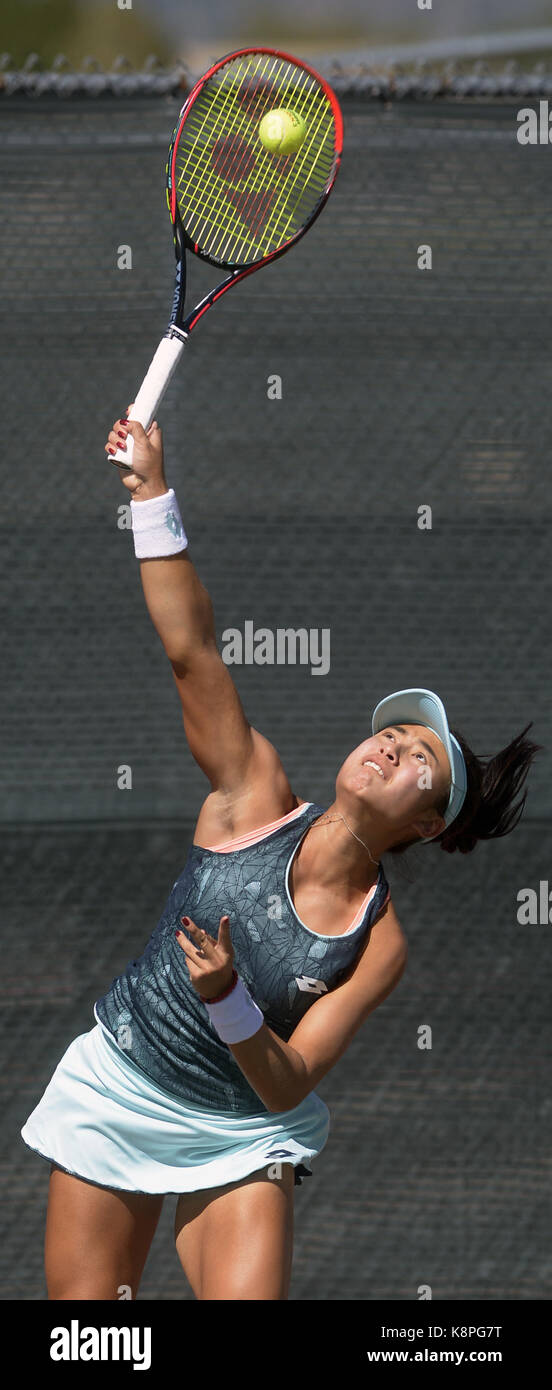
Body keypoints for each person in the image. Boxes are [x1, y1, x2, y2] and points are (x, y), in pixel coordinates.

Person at [20, 413, 541, 1302]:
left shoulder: (378, 946)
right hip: (121, 1086)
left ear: (426, 824)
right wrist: (151, 493)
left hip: (238, 1129)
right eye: (398, 732)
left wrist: (226, 999)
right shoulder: (249, 795)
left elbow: (285, 1081)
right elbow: (192, 653)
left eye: (422, 760)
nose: (394, 748)